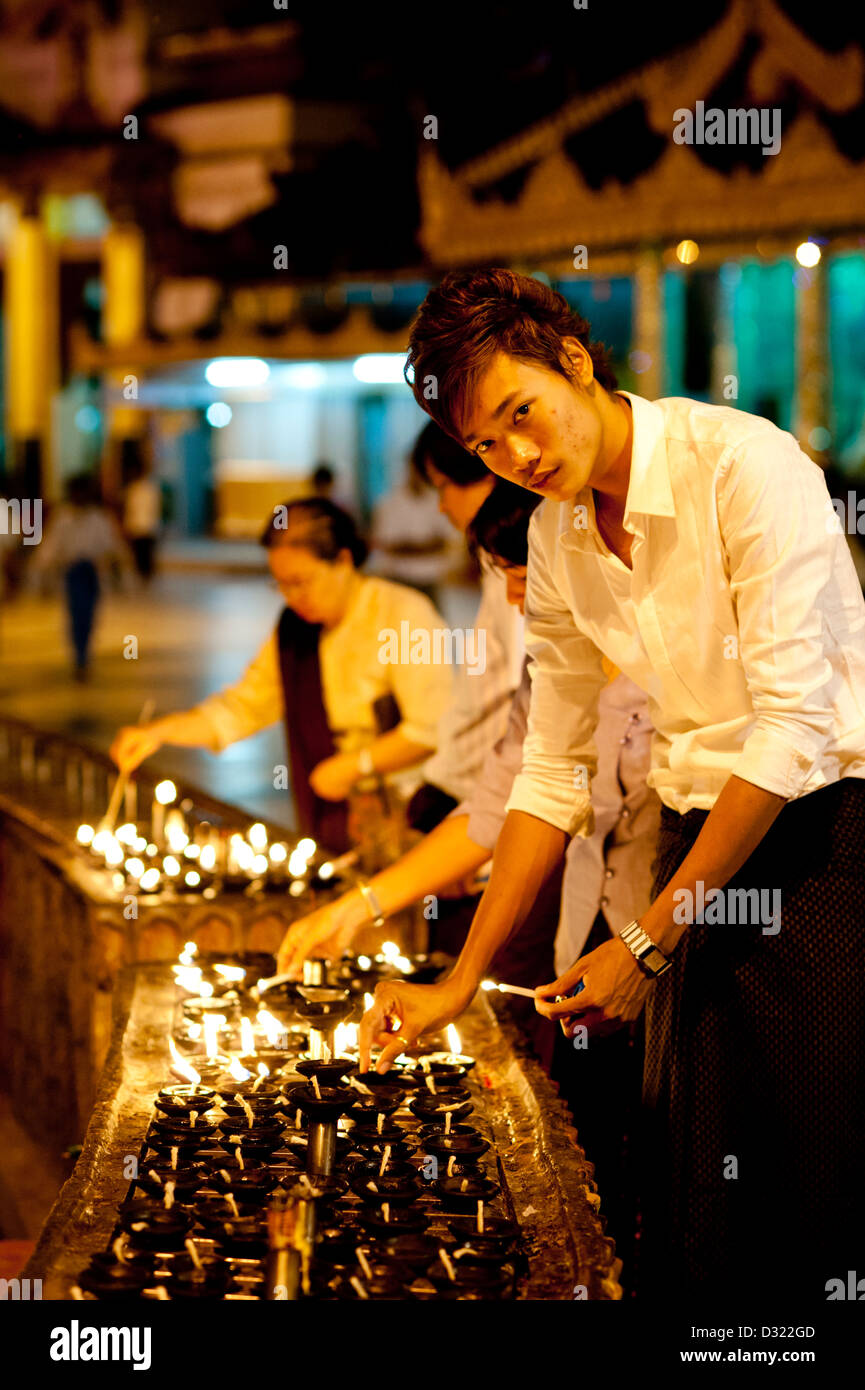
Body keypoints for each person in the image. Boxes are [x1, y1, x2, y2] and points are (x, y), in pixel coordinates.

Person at [360, 267, 865, 1301]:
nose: (519, 457)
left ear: (573, 364)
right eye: (487, 447)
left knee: (808, 1175)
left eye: (521, 415)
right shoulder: (556, 539)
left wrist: (647, 935)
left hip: (820, 849)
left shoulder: (743, 467)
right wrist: (462, 973)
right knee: (692, 1175)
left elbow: (788, 729)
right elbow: (552, 764)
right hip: (700, 846)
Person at [278, 479, 658, 1261]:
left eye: (524, 581)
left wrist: (650, 946)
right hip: (590, 914)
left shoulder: (677, 646)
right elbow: (504, 802)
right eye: (507, 583)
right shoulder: (551, 666)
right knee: (594, 1146)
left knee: (676, 1151)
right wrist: (360, 905)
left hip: (676, 927)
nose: (517, 606)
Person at [110, 499, 453, 854]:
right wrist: (159, 732)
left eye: (301, 582)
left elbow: (432, 729)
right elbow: (244, 707)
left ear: (343, 561)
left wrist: (357, 765)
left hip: (410, 813)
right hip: (332, 814)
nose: (292, 597)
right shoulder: (296, 629)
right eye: (281, 586)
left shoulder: (404, 615)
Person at [28, 472, 131, 681]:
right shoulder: (63, 519)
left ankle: (85, 653)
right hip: (73, 573)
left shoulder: (98, 518)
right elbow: (50, 549)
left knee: (89, 616)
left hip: (91, 572)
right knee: (76, 615)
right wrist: (41, 577)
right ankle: (79, 657)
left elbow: (112, 547)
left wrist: (120, 574)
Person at [369, 443, 456, 603]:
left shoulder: (439, 500)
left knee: (432, 627)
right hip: (398, 581)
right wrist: (426, 546)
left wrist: (407, 547)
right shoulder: (389, 502)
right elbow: (387, 545)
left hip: (430, 581)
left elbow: (444, 543)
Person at [122, 458, 162, 584]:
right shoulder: (132, 489)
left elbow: (155, 507)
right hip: (135, 526)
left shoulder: (150, 488)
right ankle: (141, 576)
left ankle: (147, 577)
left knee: (147, 554)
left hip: (148, 526)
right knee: (138, 554)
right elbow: (129, 509)